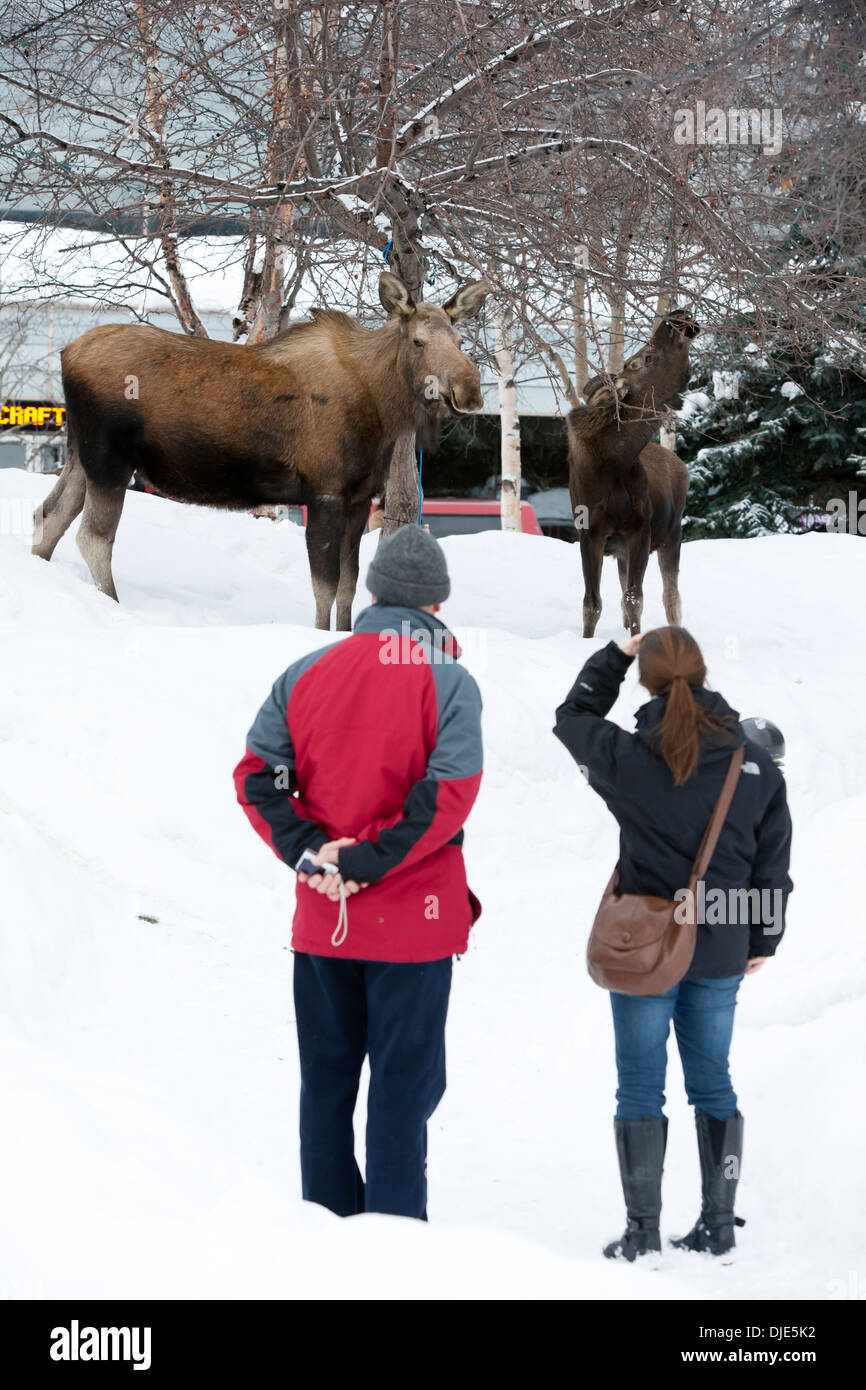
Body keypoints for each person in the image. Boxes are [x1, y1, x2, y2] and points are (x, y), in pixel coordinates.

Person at [234, 525, 483, 1220]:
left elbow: (261, 779)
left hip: (324, 923)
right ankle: (394, 1250)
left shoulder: (304, 673)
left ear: (372, 594)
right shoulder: (451, 682)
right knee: (403, 1093)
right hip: (413, 929)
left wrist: (314, 854)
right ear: (435, 607)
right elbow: (447, 794)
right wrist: (369, 861)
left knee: (325, 1087)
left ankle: (326, 1243)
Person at [553, 627, 792, 1261]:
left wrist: (615, 656)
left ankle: (642, 1233)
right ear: (706, 672)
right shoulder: (756, 764)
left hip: (646, 945)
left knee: (639, 1083)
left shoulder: (629, 758)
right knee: (714, 1080)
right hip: (720, 942)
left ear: (647, 681)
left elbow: (571, 716)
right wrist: (764, 934)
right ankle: (717, 1225)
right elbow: (773, 864)